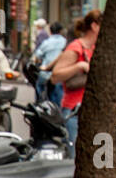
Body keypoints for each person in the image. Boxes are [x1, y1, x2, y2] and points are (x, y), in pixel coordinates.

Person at [50, 9, 102, 146]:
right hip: (74, 111)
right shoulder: (76, 47)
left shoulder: (95, 48)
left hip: (92, 112)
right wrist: (79, 66)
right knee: (74, 159)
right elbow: (55, 76)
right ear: (95, 26)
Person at [31, 21, 67, 107]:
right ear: (61, 31)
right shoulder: (65, 42)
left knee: (39, 86)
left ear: (50, 31)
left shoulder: (46, 42)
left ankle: (39, 104)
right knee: (58, 96)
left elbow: (37, 56)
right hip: (60, 74)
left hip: (45, 73)